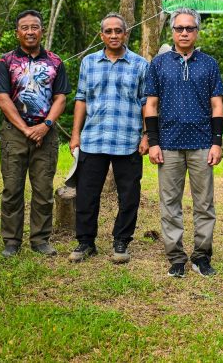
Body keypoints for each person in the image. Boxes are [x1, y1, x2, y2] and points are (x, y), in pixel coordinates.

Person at [143, 8, 223, 278]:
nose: (184, 33)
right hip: (168, 143)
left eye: (189, 28)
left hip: (203, 143)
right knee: (170, 203)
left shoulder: (209, 63)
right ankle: (176, 258)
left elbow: (217, 105)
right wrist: (153, 141)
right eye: (179, 28)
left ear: (197, 31)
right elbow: (151, 104)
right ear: (173, 31)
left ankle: (202, 256)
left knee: (204, 204)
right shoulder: (159, 63)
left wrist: (217, 142)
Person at [67, 13, 149, 264]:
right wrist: (75, 134)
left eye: (118, 31)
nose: (114, 35)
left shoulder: (140, 64)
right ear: (101, 35)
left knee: (129, 196)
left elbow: (146, 102)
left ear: (126, 34)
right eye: (108, 31)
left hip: (128, 140)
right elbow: (81, 98)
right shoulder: (88, 62)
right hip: (94, 138)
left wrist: (147, 135)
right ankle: (85, 242)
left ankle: (121, 241)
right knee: (86, 194)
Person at [0, 9, 69, 258]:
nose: (30, 32)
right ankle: (11, 241)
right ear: (17, 32)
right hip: (15, 133)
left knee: (43, 190)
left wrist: (45, 125)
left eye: (34, 27)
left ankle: (40, 240)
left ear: (42, 30)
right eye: (24, 27)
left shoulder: (55, 62)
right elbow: (2, 98)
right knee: (12, 189)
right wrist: (25, 128)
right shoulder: (5, 62)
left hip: (45, 134)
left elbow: (61, 98)